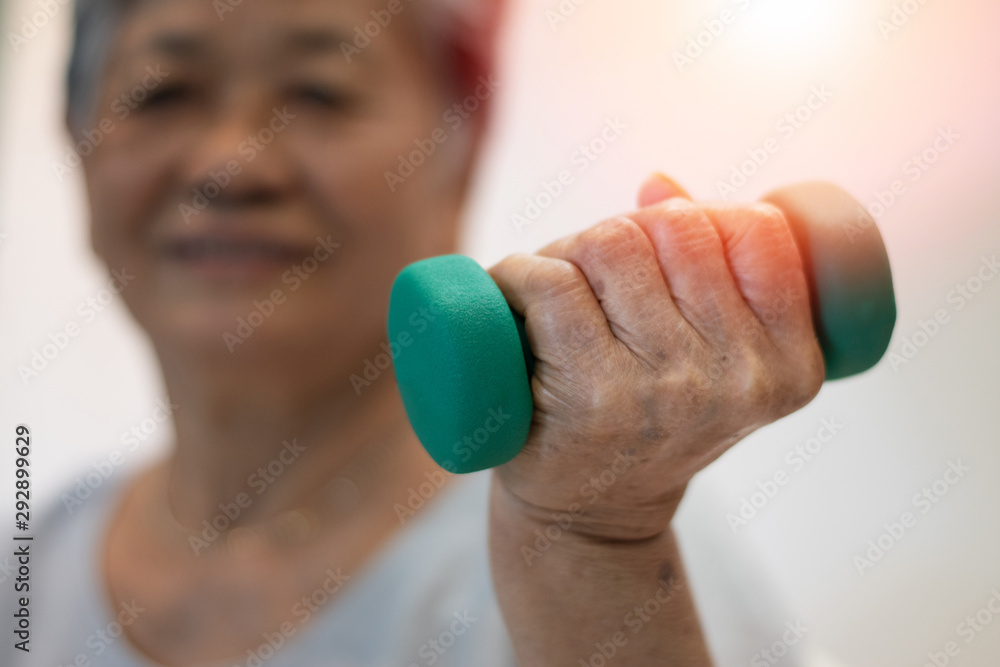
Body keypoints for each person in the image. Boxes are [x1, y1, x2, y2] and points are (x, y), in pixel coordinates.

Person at [5, 0, 854, 665]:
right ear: (78, 147)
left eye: (317, 90)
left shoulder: (609, 549)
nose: (231, 163)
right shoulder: (34, 564)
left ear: (464, 147)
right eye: (164, 92)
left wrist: (590, 550)